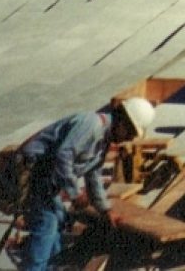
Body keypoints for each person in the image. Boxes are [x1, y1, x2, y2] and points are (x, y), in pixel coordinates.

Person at [14, 97, 154, 271]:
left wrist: (105, 209)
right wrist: (75, 194)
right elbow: (63, 156)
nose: (129, 138)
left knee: (59, 220)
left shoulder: (103, 141)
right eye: (130, 133)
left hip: (49, 180)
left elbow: (93, 175)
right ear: (122, 121)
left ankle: (51, 267)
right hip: (33, 172)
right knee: (47, 225)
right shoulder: (91, 124)